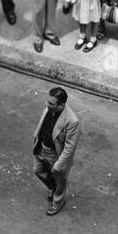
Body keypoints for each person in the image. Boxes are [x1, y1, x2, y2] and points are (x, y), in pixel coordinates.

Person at [32, 87, 80, 217]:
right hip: (41, 147)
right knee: (38, 170)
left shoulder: (72, 121)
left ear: (62, 105)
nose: (47, 105)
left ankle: (58, 202)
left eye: (51, 103)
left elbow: (70, 147)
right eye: (47, 101)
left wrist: (60, 164)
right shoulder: (49, 107)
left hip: (55, 154)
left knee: (60, 180)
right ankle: (53, 187)